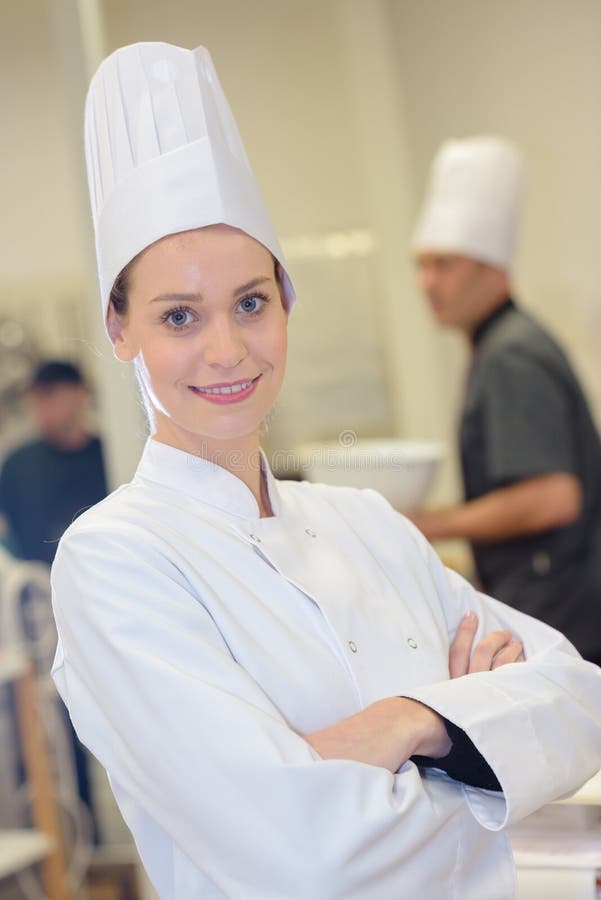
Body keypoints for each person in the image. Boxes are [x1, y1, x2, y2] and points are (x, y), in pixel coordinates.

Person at [50, 44, 601, 900]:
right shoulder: (114, 559)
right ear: (121, 332)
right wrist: (477, 746)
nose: (226, 349)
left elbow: (579, 696)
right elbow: (302, 857)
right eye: (179, 315)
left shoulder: (368, 522)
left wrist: (403, 724)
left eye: (250, 302)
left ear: (286, 302)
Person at [409, 136, 601, 666]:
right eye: (420, 265)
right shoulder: (503, 344)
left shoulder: (510, 355)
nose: (426, 283)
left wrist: (428, 524)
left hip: (568, 618)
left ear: (491, 267)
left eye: (444, 264)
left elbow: (554, 497)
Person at [0, 360, 107, 565]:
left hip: (102, 575)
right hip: (39, 585)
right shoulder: (18, 464)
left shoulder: (108, 457)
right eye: (35, 399)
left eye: (49, 395)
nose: (41, 408)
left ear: (80, 394)